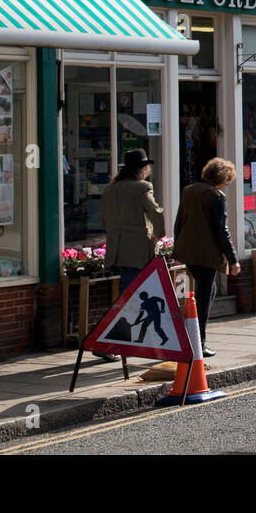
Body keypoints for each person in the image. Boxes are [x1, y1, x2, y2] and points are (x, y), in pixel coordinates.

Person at [98, 149, 163, 362]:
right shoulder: (142, 188)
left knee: (131, 295)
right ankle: (105, 342)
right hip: (138, 250)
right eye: (147, 167)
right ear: (142, 169)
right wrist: (157, 236)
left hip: (117, 250)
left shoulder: (110, 190)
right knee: (130, 299)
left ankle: (141, 341)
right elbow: (156, 213)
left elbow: (103, 221)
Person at [173, 157, 242, 358]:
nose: (228, 184)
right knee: (205, 296)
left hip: (188, 250)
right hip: (206, 253)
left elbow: (180, 221)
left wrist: (178, 247)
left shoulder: (189, 190)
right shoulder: (215, 196)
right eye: (228, 181)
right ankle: (198, 342)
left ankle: (195, 339)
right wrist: (233, 259)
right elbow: (222, 231)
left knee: (205, 293)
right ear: (222, 178)